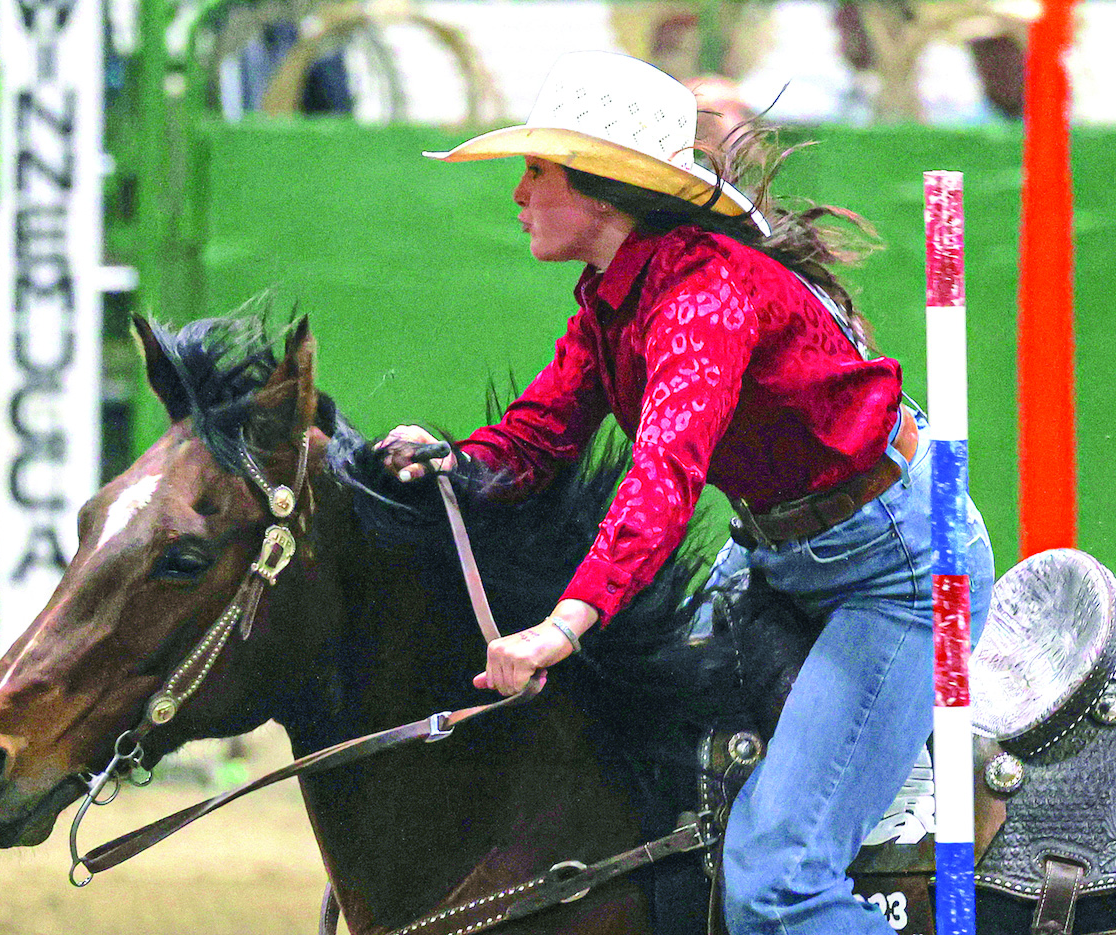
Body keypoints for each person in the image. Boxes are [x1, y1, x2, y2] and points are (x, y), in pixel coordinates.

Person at [378, 50, 994, 935]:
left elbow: (665, 475)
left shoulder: (703, 296)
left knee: (776, 885)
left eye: (536, 170)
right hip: (785, 553)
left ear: (598, 190)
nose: (518, 193)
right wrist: (449, 465)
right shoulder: (612, 295)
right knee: (670, 816)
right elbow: (537, 436)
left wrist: (564, 624)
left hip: (902, 576)